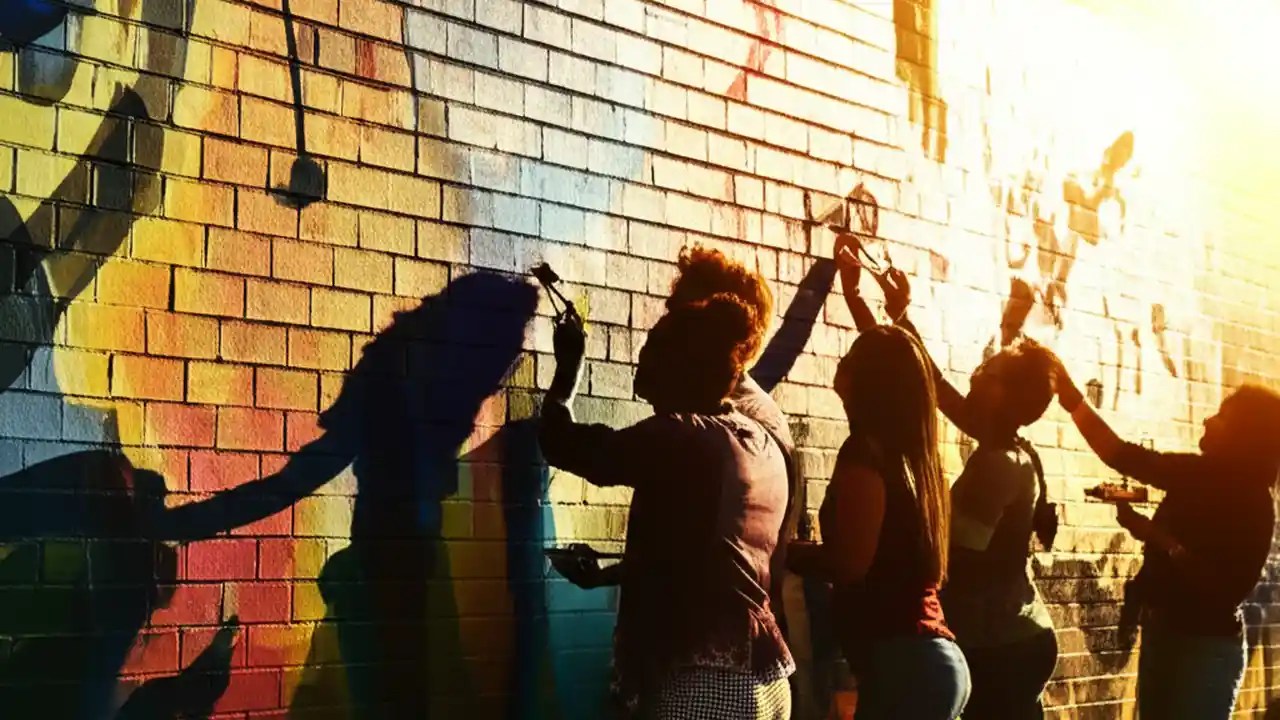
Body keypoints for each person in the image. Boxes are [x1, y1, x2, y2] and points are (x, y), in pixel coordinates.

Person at [540, 289, 794, 718]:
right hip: (767, 680)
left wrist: (568, 370)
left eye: (652, 356)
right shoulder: (759, 441)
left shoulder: (679, 436)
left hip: (704, 683)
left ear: (682, 369)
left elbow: (563, 444)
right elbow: (712, 560)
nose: (641, 366)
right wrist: (608, 576)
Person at [787, 236, 969, 719]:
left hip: (905, 665)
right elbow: (900, 365)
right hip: (922, 662)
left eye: (852, 355)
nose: (842, 359)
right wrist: (856, 298)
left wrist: (780, 550)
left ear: (867, 382)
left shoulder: (865, 452)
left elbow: (851, 563)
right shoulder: (911, 455)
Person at [874, 257, 1059, 717]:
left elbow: (958, 557)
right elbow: (939, 390)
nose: (974, 377)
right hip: (1013, 638)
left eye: (986, 375)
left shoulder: (999, 464)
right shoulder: (1007, 447)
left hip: (1000, 645)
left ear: (1005, 396)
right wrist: (900, 318)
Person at [1055, 366, 1280, 720]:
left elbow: (1223, 586)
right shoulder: (1206, 477)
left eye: (1222, 416)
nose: (1208, 420)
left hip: (1202, 646)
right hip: (1172, 636)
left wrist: (1073, 402)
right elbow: (1129, 459)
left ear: (1243, 435)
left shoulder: (1250, 500)